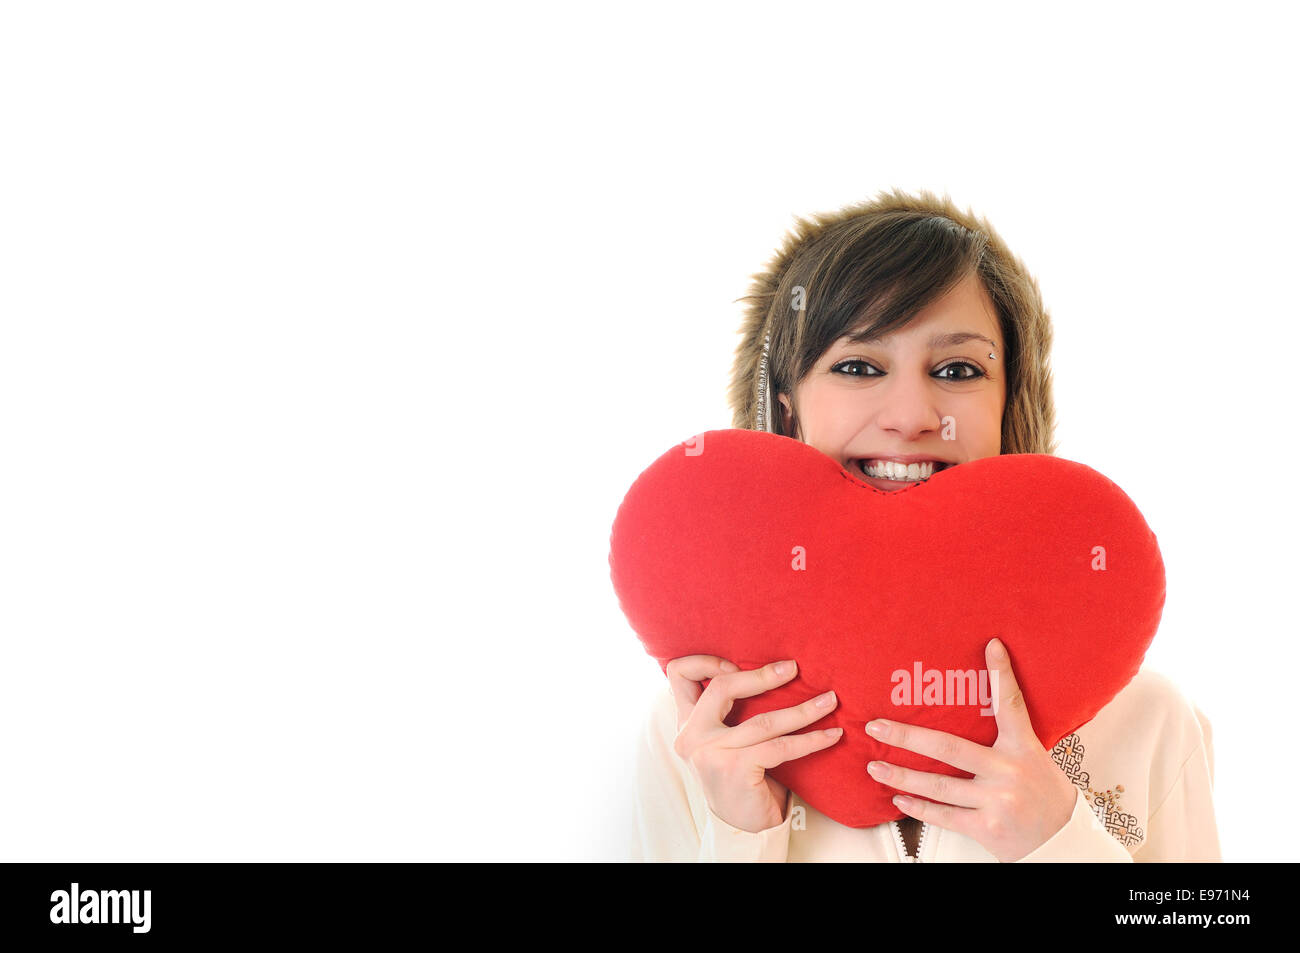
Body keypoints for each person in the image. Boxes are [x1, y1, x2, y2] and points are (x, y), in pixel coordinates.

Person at [630, 189, 1221, 862]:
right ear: (788, 412)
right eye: (858, 366)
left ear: (1009, 407)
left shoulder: (1146, 715)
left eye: (957, 369)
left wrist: (1061, 842)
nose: (911, 413)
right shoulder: (701, 728)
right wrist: (743, 835)